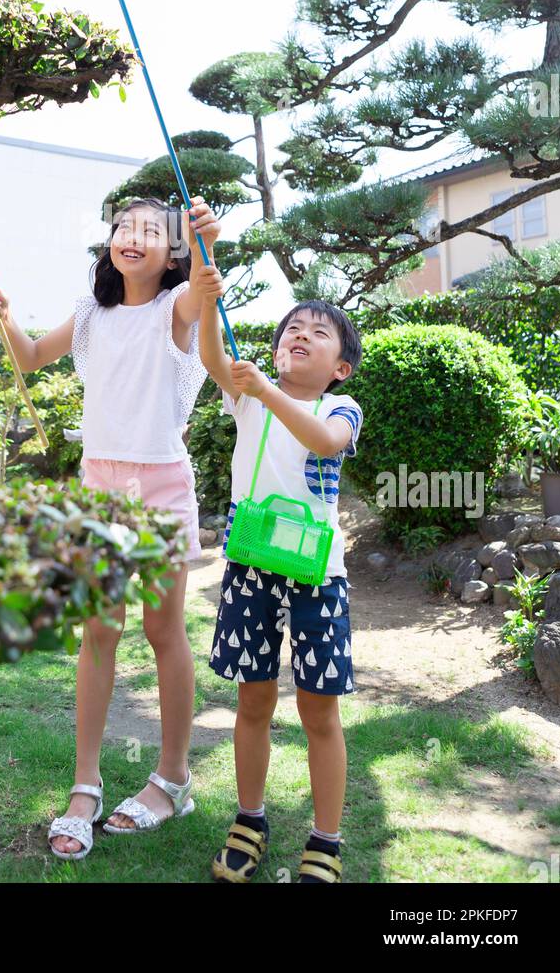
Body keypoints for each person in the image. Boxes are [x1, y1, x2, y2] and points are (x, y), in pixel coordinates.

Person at [0, 195, 220, 859]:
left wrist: (205, 241)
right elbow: (27, 358)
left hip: (161, 487)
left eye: (150, 231)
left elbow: (202, 291)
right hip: (99, 489)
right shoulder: (92, 311)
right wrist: (3, 318)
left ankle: (172, 778)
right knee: (99, 631)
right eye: (122, 228)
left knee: (163, 629)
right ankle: (85, 785)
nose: (131, 237)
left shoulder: (177, 308)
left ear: (171, 252)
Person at [194, 259, 363, 885]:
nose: (300, 334)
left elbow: (323, 442)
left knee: (320, 711)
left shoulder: (341, 407)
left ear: (340, 366)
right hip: (251, 571)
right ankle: (250, 819)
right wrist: (207, 298)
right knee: (253, 702)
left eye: (318, 333)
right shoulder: (246, 395)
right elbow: (214, 355)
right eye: (292, 327)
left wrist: (268, 391)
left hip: (319, 576)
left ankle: (326, 838)